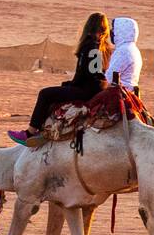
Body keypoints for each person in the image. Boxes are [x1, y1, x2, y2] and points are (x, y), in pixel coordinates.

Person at [8, 12, 111, 146]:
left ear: (88, 27)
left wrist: (71, 84)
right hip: (98, 88)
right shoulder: (106, 48)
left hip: (87, 90)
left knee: (45, 94)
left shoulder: (89, 46)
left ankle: (30, 132)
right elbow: (97, 73)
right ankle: (43, 129)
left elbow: (84, 74)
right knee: (59, 91)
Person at [103, 16, 142, 93]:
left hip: (120, 94)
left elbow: (108, 78)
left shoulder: (124, 51)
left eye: (114, 29)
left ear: (121, 31)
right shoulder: (133, 49)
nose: (112, 32)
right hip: (129, 92)